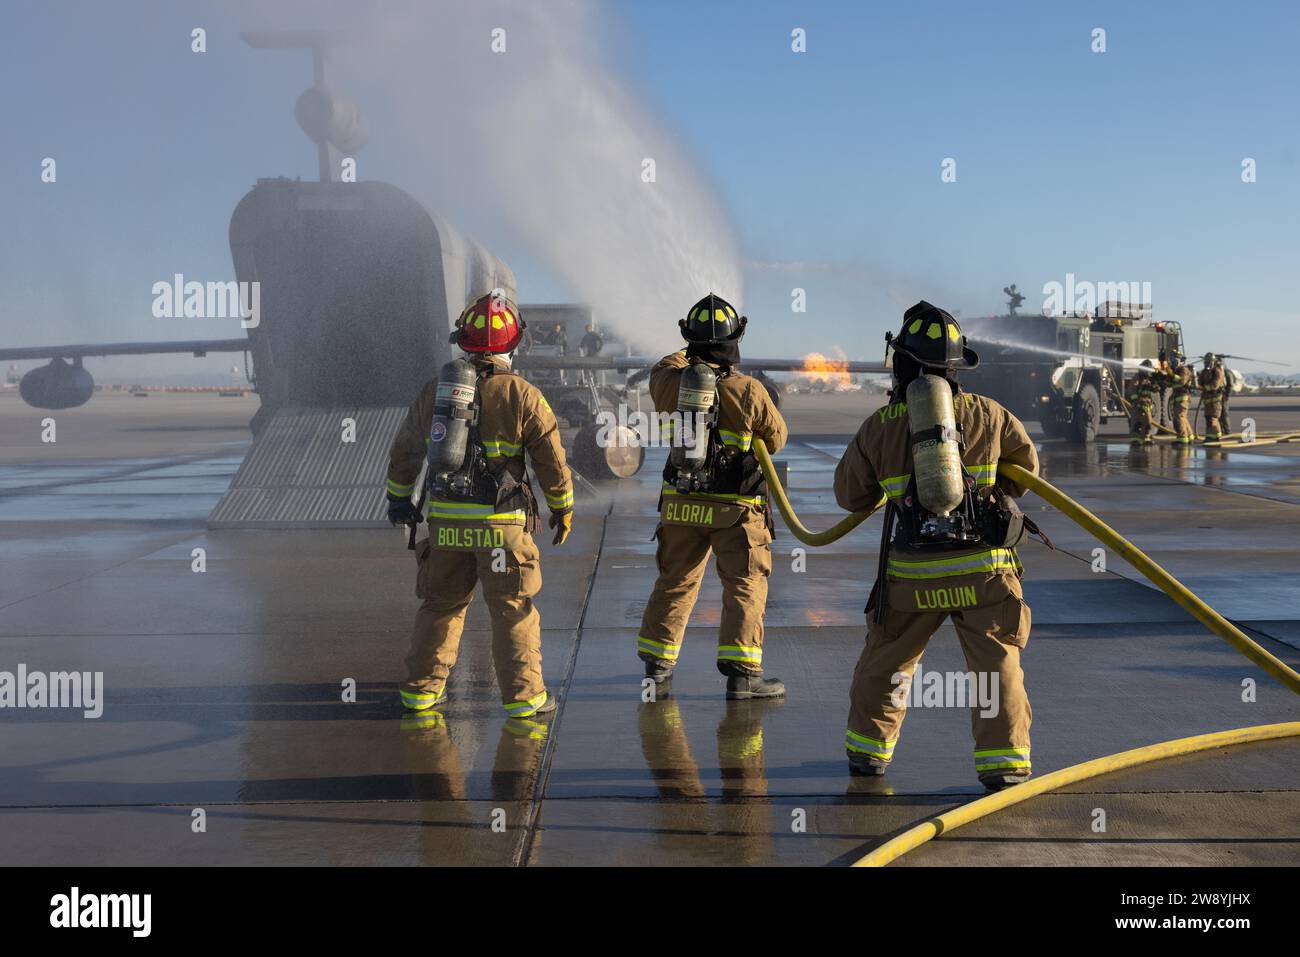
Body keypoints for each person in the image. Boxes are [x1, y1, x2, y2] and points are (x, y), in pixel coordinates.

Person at [833, 301, 1042, 790]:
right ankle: (1004, 763)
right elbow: (1027, 474)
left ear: (902, 362)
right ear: (954, 365)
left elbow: (849, 496)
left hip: (911, 579)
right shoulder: (990, 414)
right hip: (983, 576)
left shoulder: (881, 425)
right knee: (996, 664)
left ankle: (868, 754)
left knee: (887, 660)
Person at [385, 291, 574, 719]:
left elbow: (405, 452)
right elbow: (551, 461)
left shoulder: (436, 391)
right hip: (501, 529)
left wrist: (399, 501)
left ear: (463, 341)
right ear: (514, 344)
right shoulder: (523, 395)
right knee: (512, 610)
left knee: (441, 607)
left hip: (447, 526)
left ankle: (420, 692)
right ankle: (525, 699)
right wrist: (563, 510)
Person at [636, 293, 789, 699]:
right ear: (734, 342)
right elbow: (776, 440)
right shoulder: (750, 390)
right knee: (744, 584)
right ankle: (743, 677)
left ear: (690, 342)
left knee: (675, 581)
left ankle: (658, 665)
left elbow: (663, 365)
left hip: (681, 504)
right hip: (735, 512)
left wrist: (691, 348)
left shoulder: (668, 384)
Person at [1198, 352, 1227, 441]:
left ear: (1213, 362)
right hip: (1207, 400)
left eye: (1209, 362)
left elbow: (1214, 385)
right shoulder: (1204, 372)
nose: (1207, 364)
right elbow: (1200, 382)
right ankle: (1210, 436)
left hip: (1215, 400)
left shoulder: (1218, 371)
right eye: (1205, 362)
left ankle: (1217, 436)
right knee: (1208, 418)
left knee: (1213, 418)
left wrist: (1203, 387)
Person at [1128, 361, 1158, 446]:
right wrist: (1137, 399)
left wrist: (1156, 387)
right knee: (1136, 423)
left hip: (1147, 404)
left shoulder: (1150, 378)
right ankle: (1135, 440)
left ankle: (1146, 438)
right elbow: (1131, 390)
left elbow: (1153, 389)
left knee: (1148, 422)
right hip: (1138, 404)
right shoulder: (1137, 377)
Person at [1168, 352, 1195, 445]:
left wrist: (1172, 375)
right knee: (1183, 418)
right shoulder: (1176, 370)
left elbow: (1182, 381)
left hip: (1182, 398)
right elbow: (1171, 383)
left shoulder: (1184, 369)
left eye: (1174, 359)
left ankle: (1182, 439)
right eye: (1171, 359)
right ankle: (1190, 436)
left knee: (1179, 418)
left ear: (1180, 360)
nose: (1172, 361)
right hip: (1178, 398)